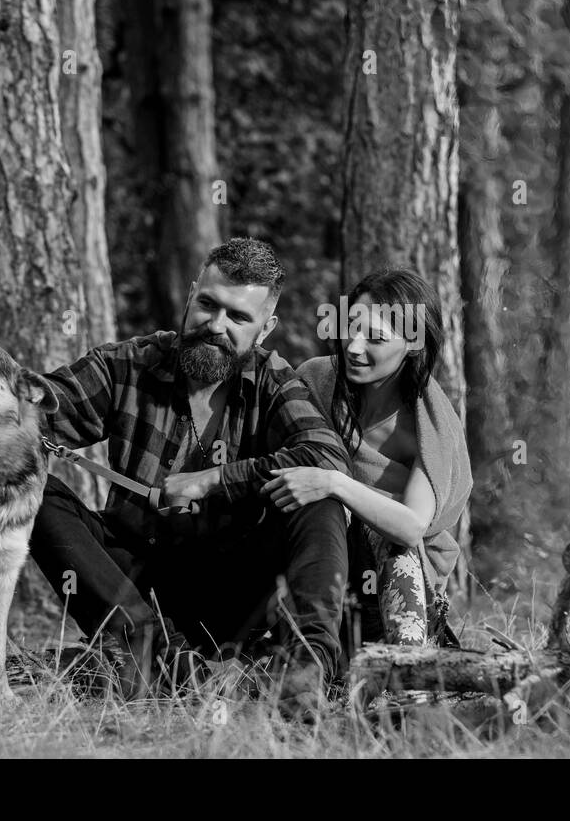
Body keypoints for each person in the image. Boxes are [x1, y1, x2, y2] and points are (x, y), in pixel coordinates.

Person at [28, 238, 351, 710]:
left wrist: (214, 479)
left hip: (237, 591)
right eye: (208, 305)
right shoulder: (126, 366)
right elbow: (27, 413)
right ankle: (162, 665)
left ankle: (303, 674)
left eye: (238, 318)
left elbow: (326, 457)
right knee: (36, 492)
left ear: (266, 329)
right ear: (191, 295)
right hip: (135, 587)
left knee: (317, 496)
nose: (216, 325)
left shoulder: (275, 382)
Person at [267, 268, 472, 648]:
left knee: (393, 539)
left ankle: (409, 673)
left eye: (376, 337)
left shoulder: (428, 421)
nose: (354, 347)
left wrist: (334, 483)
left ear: (413, 345)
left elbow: (411, 526)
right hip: (313, 558)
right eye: (351, 328)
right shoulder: (315, 380)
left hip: (392, 577)